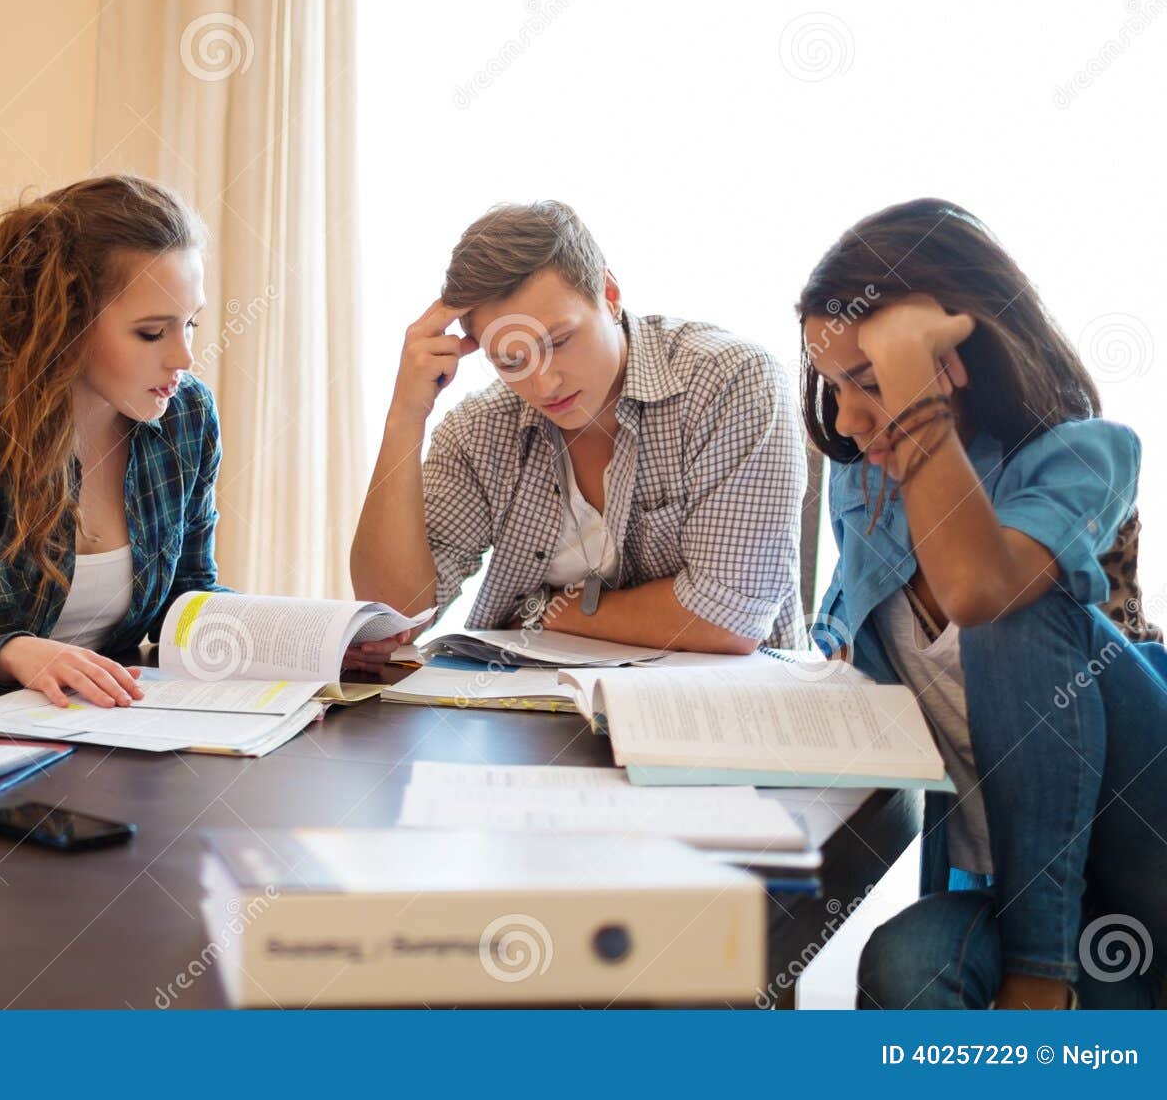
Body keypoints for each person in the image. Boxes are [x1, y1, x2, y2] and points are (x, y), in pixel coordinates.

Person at [800, 197, 1167, 1008]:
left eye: (870, 381)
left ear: (958, 356)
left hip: (1149, 836)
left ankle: (1040, 982)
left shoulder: (1086, 453)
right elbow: (848, 622)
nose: (850, 420)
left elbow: (977, 588)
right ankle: (1051, 998)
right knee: (907, 964)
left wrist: (914, 390)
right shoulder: (862, 482)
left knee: (1006, 611)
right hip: (1057, 899)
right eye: (833, 386)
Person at [0, 174, 397, 710]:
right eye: (152, 332)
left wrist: (318, 647)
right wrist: (12, 654)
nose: (183, 357)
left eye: (191, 324)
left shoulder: (186, 416)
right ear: (66, 324)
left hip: (111, 730)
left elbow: (186, 598)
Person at [352, 199, 806, 652]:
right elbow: (393, 619)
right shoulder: (480, 428)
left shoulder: (730, 381)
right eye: (511, 360)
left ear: (609, 295)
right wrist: (405, 417)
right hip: (527, 712)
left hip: (714, 713)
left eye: (560, 341)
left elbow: (727, 622)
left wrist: (543, 614)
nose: (544, 383)